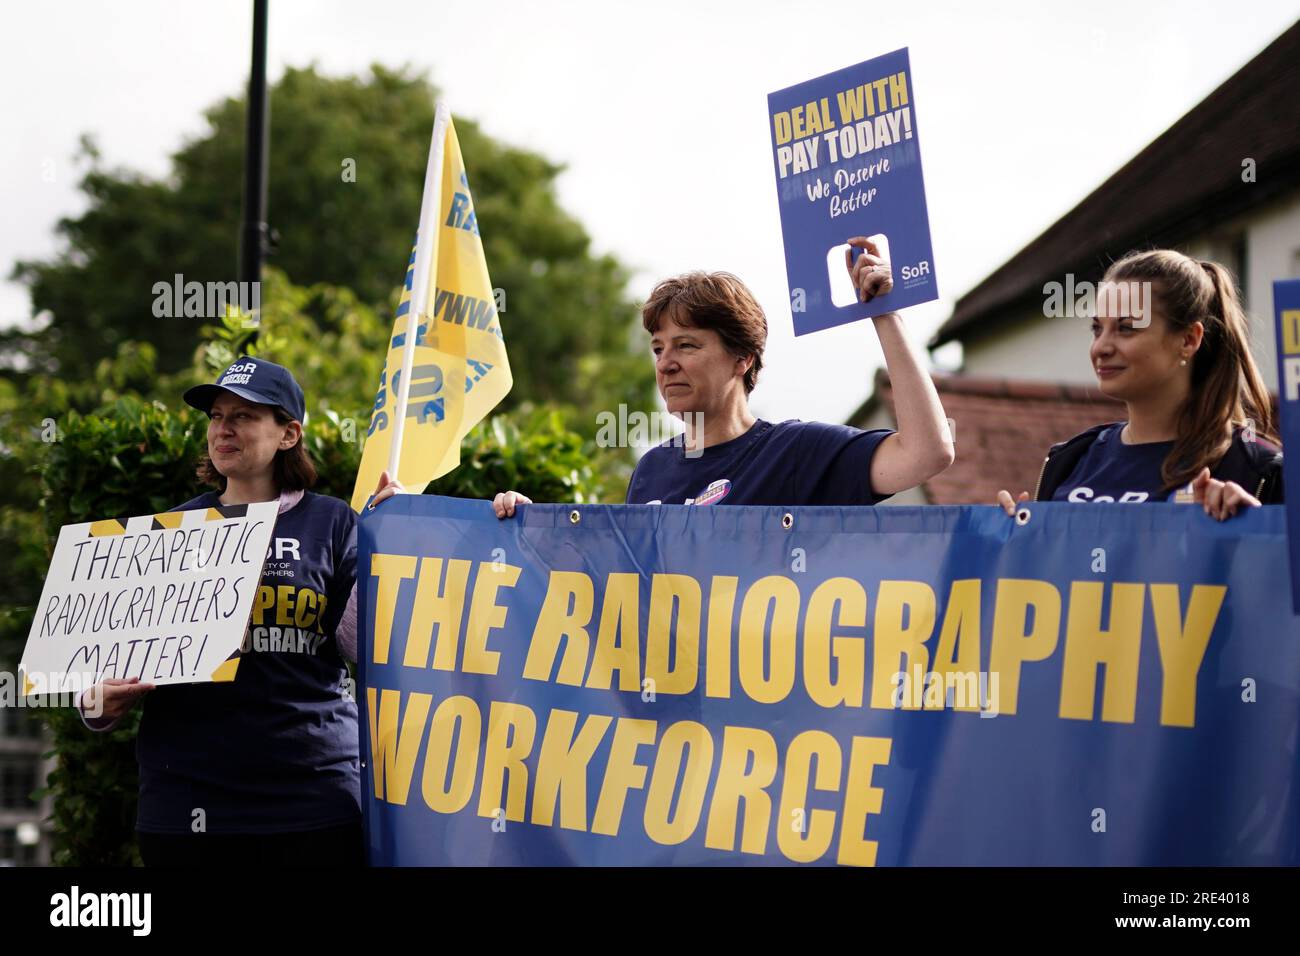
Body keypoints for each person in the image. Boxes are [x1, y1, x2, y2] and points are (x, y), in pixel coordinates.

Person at [77, 356, 401, 866]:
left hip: (314, 804)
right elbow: (104, 679)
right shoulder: (172, 529)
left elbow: (365, 648)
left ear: (288, 434)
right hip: (188, 808)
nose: (223, 429)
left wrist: (392, 543)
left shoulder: (333, 522)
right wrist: (97, 704)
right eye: (215, 417)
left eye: (244, 416)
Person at [494, 237, 954, 514]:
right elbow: (619, 590)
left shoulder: (795, 453)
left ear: (743, 359)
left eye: (687, 345)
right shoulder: (651, 471)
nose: (665, 362)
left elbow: (926, 452)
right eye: (658, 348)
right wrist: (537, 532)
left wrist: (885, 316)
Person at [996, 250, 1282, 521]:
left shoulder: (1258, 470)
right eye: (1097, 328)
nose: (1101, 347)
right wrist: (1015, 539)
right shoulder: (1070, 459)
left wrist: (1252, 528)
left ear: (1188, 340)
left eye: (1126, 328)